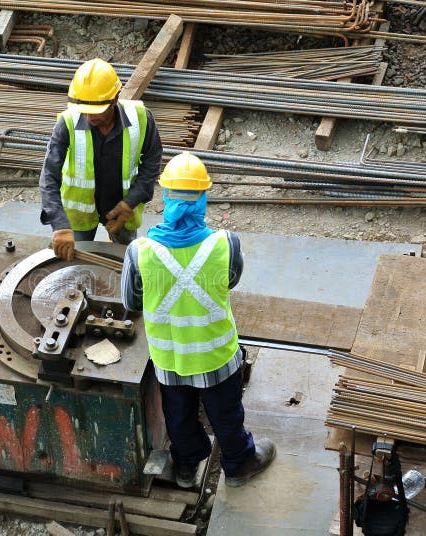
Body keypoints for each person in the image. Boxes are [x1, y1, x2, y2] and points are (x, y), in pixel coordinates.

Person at [121, 152, 276, 489]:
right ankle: (238, 465)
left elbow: (131, 301)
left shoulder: (140, 252)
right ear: (204, 197)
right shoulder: (226, 244)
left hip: (171, 358)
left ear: (164, 196)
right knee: (227, 414)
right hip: (217, 356)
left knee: (179, 417)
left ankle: (186, 468)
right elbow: (231, 281)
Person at [39, 58, 163, 261]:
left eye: (95, 112)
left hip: (121, 208)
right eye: (83, 110)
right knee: (75, 262)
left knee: (127, 263)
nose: (88, 117)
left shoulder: (140, 118)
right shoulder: (68, 123)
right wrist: (60, 225)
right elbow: (48, 177)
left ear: (115, 99)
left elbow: (152, 161)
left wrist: (130, 202)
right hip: (80, 213)